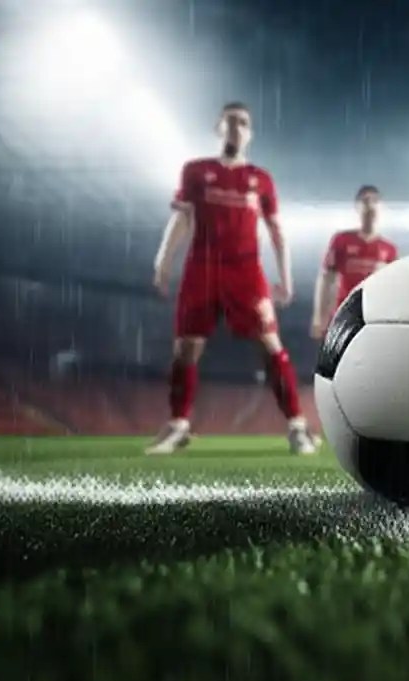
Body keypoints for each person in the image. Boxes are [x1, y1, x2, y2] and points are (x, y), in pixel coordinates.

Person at [147, 101, 316, 455]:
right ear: (218, 128)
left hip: (246, 272)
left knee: (270, 346)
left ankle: (298, 427)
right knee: (186, 348)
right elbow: (181, 220)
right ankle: (178, 426)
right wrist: (164, 261)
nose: (237, 127)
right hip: (202, 269)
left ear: (250, 134)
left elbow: (277, 231)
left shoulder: (261, 179)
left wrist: (284, 278)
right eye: (231, 121)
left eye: (243, 123)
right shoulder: (195, 171)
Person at [310, 185, 397, 339]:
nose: (370, 206)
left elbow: (394, 291)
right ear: (357, 207)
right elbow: (326, 279)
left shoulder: (389, 250)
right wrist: (319, 317)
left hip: (373, 321)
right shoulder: (341, 240)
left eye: (375, 201)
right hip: (343, 317)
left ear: (381, 208)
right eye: (365, 201)